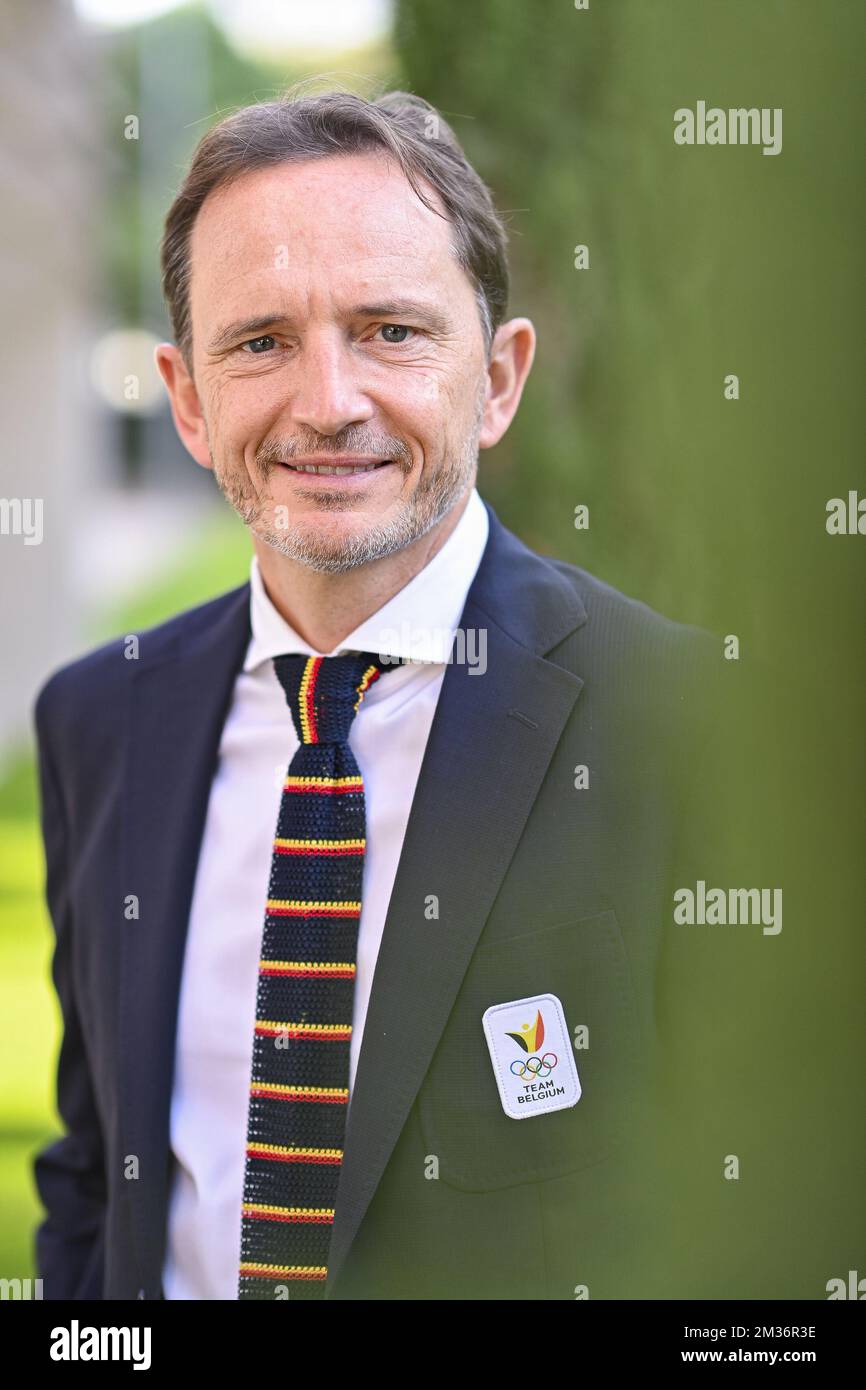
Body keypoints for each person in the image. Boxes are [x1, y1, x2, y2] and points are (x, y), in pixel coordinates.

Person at [31, 85, 735, 1301]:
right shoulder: (100, 722)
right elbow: (103, 1174)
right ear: (188, 399)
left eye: (390, 330)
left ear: (499, 376)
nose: (327, 403)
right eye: (260, 342)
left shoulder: (695, 726)